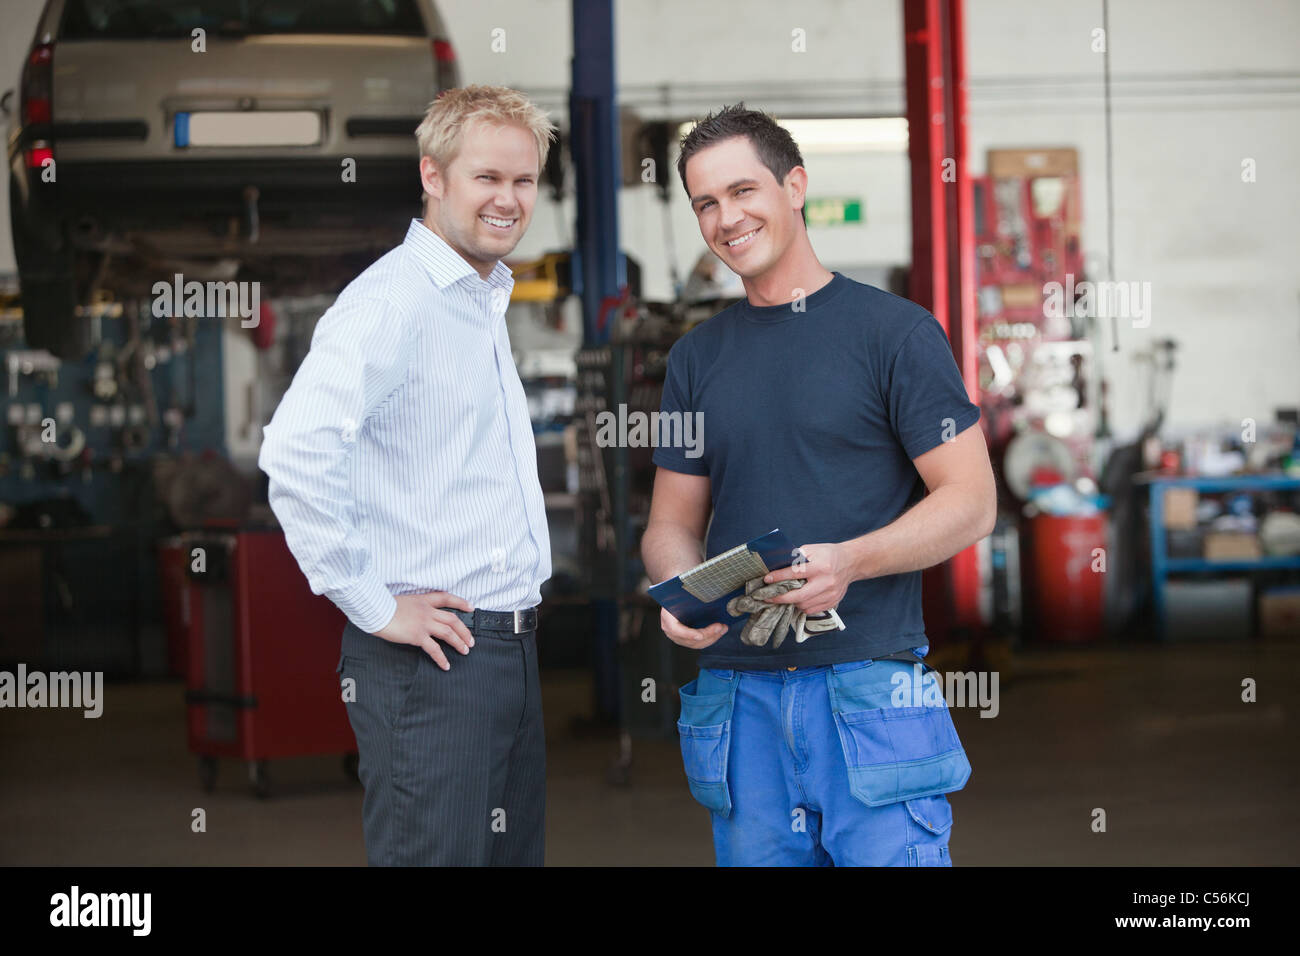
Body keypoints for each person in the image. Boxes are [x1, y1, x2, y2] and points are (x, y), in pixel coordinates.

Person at [642, 103, 996, 866]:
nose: (726, 218)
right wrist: (677, 587)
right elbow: (669, 521)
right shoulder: (693, 361)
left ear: (795, 185)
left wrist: (852, 562)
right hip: (739, 700)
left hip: (868, 693)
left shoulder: (896, 335)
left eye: (743, 191)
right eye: (706, 202)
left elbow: (972, 502)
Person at [259, 85, 557, 866]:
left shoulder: (479, 298)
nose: (509, 199)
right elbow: (294, 452)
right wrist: (368, 602)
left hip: (508, 654)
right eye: (486, 178)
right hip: (434, 666)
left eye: (523, 181)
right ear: (434, 175)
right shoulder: (392, 302)